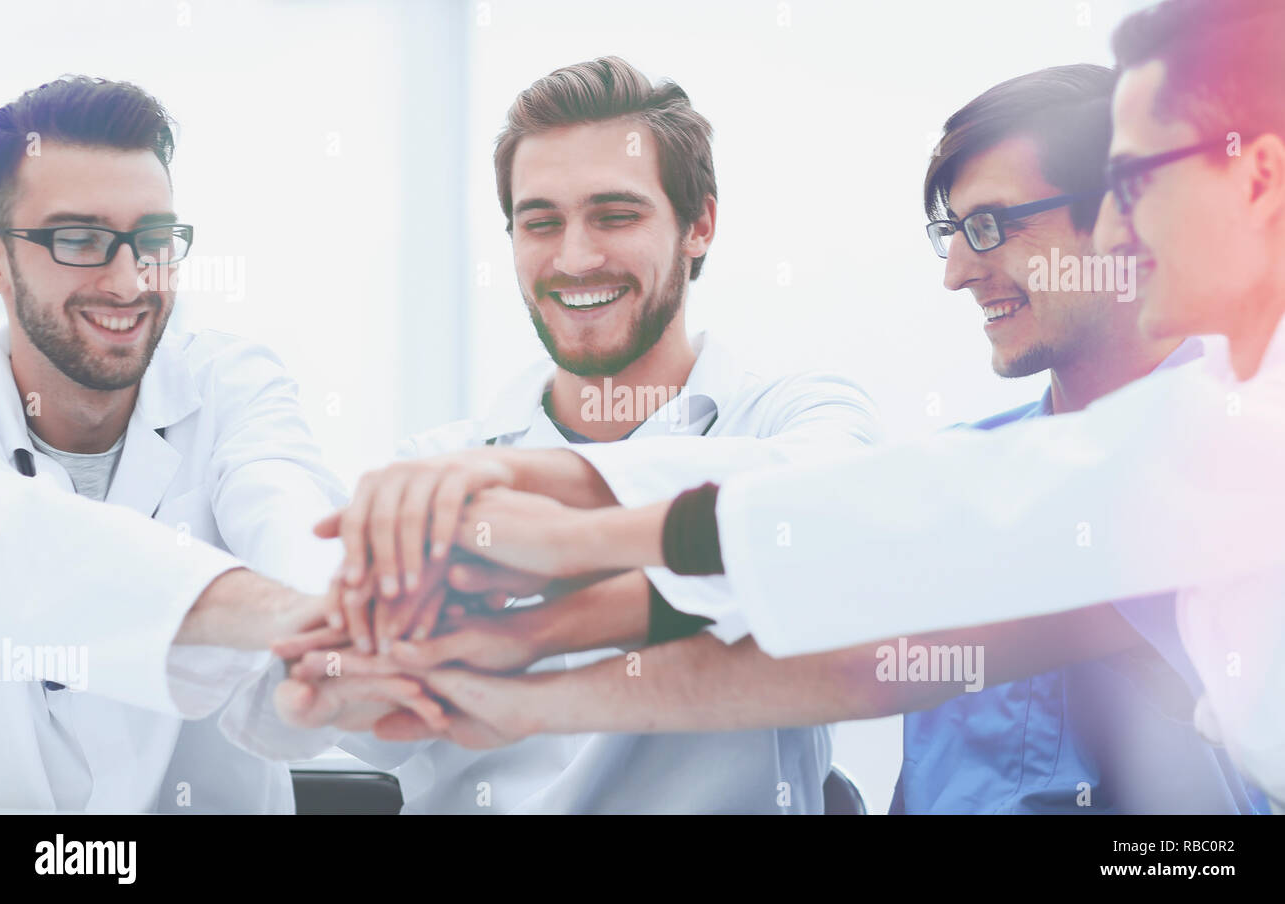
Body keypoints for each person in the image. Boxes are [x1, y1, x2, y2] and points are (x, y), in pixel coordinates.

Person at [282, 64, 1260, 814]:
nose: (958, 272)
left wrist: (563, 536)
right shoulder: (971, 463)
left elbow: (854, 605)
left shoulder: (1218, 456)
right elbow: (870, 602)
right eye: (951, 231)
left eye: (994, 225)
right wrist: (512, 642)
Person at [272, 56, 880, 814]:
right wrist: (338, 669)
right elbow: (364, 714)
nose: (575, 258)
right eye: (541, 222)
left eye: (615, 216)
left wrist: (560, 509)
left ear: (699, 226)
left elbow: (830, 520)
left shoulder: (799, 416)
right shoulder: (435, 465)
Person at [0, 76, 420, 812]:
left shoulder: (230, 386)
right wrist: (262, 615)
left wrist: (325, 614)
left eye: (153, 240)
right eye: (81, 239)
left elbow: (283, 500)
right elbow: (17, 537)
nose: (128, 282)